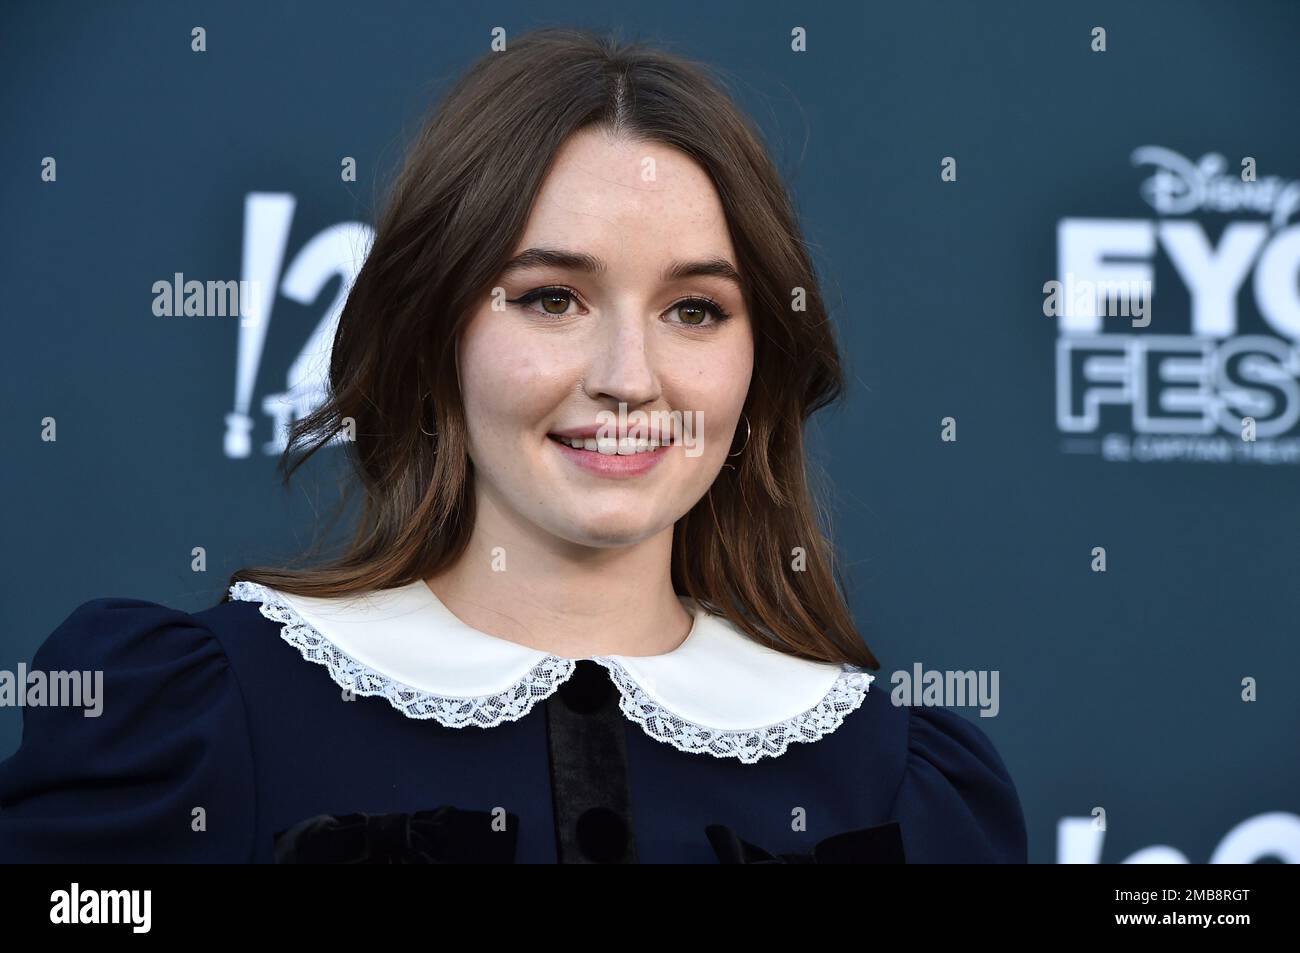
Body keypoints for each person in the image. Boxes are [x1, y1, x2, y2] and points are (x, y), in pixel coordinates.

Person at [0, 28, 1026, 863]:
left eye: (695, 310)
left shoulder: (894, 784)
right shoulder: (205, 718)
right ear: (436, 329)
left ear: (761, 357)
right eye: (551, 298)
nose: (628, 376)